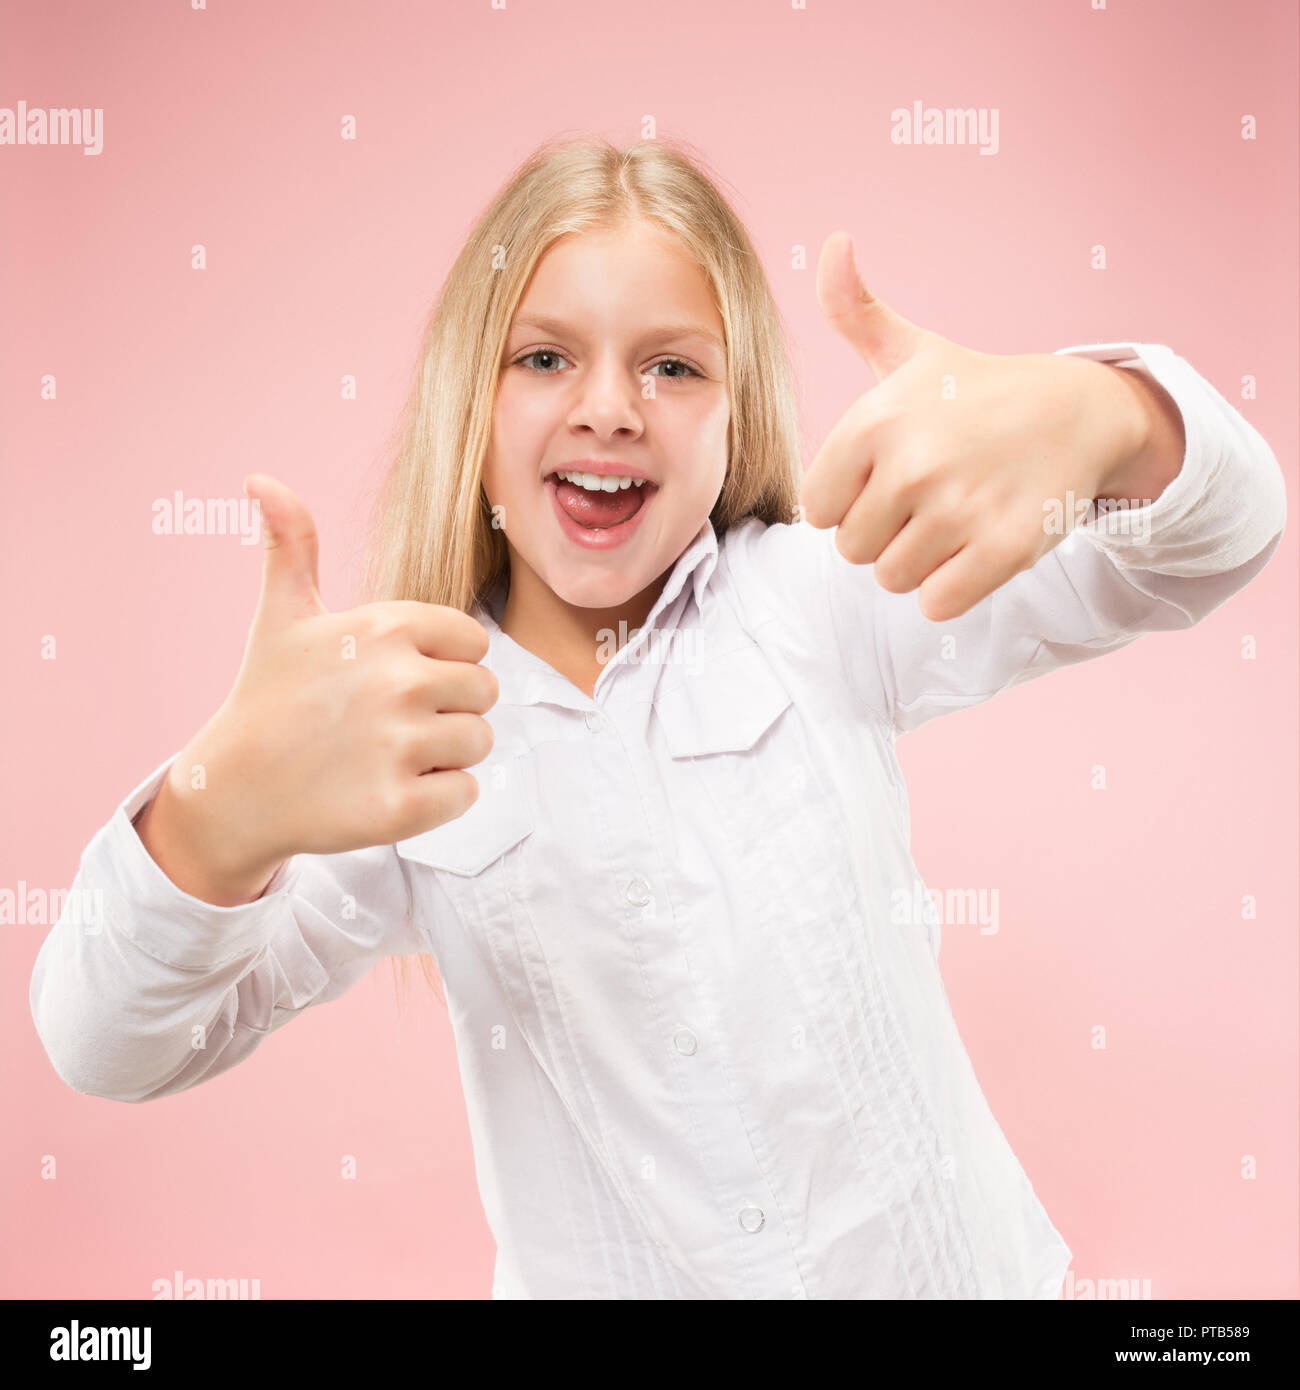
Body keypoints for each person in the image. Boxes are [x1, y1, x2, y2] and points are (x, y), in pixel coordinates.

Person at [29, 136, 1287, 1299]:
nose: (610, 408)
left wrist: (1113, 418)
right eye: (543, 358)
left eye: (673, 365)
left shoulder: (820, 599)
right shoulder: (399, 731)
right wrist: (210, 820)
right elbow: (107, 1045)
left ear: (735, 412)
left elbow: (1207, 548)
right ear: (469, 405)